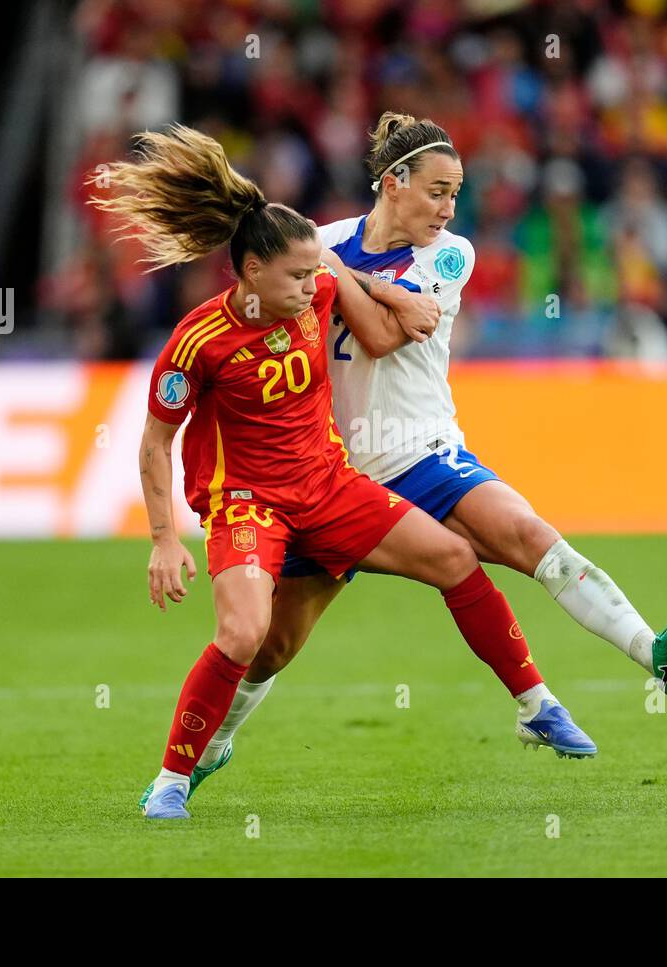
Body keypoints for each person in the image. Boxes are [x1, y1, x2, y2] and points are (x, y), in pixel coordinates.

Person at [191, 113, 667, 800]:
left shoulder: (447, 256)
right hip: (331, 478)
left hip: (424, 455)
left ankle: (657, 656)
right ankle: (214, 743)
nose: (448, 208)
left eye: (455, 193)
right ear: (392, 181)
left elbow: (380, 336)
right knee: (275, 645)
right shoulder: (322, 242)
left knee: (531, 536)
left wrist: (341, 273)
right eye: (437, 190)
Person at [91, 124, 597, 820]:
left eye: (313, 273)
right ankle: (173, 779)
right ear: (249, 274)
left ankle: (536, 702)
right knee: (249, 639)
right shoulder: (196, 342)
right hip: (247, 504)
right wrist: (161, 538)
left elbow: (341, 276)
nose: (311, 288)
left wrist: (396, 295)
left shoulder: (318, 289)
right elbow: (154, 443)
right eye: (297, 276)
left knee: (454, 557)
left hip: (330, 487)